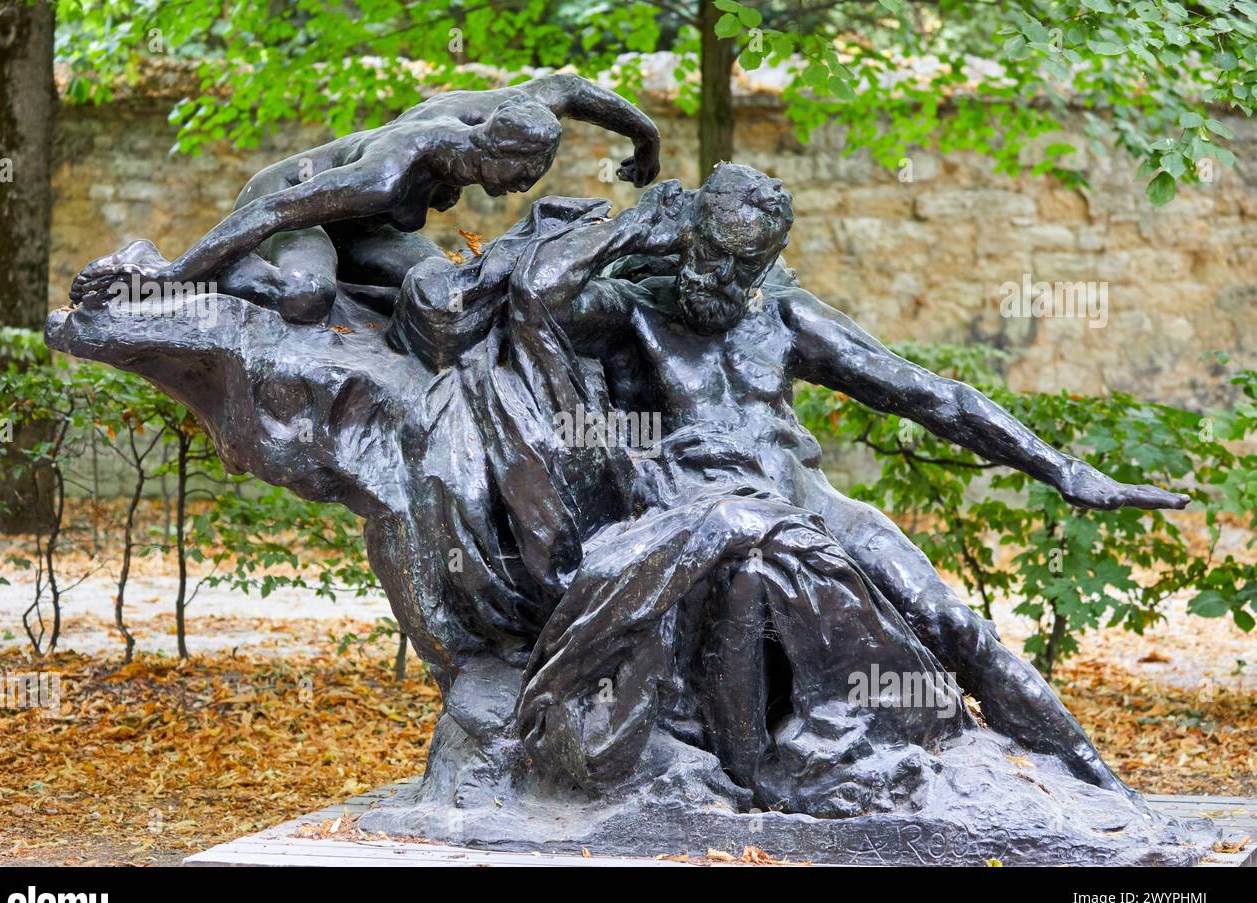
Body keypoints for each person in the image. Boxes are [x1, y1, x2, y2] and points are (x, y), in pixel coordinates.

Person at [508, 164, 1189, 800]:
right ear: (687, 232)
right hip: (714, 514)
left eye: (743, 262)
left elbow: (933, 397)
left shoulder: (783, 317)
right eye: (708, 251)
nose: (716, 276)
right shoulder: (634, 311)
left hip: (812, 505)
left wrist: (1062, 469)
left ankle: (1111, 795)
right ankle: (760, 774)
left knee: (956, 625)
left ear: (768, 260)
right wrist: (637, 223)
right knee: (751, 578)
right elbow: (537, 293)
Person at [69, 74, 662, 324]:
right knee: (305, 296)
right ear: (485, 151)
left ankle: (357, 303)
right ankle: (182, 267)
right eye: (514, 177)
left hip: (368, 232)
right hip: (291, 206)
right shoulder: (387, 172)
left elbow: (576, 88)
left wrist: (647, 140)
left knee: (445, 300)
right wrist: (173, 275)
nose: (520, 190)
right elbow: (269, 212)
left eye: (534, 177)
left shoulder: (516, 110)